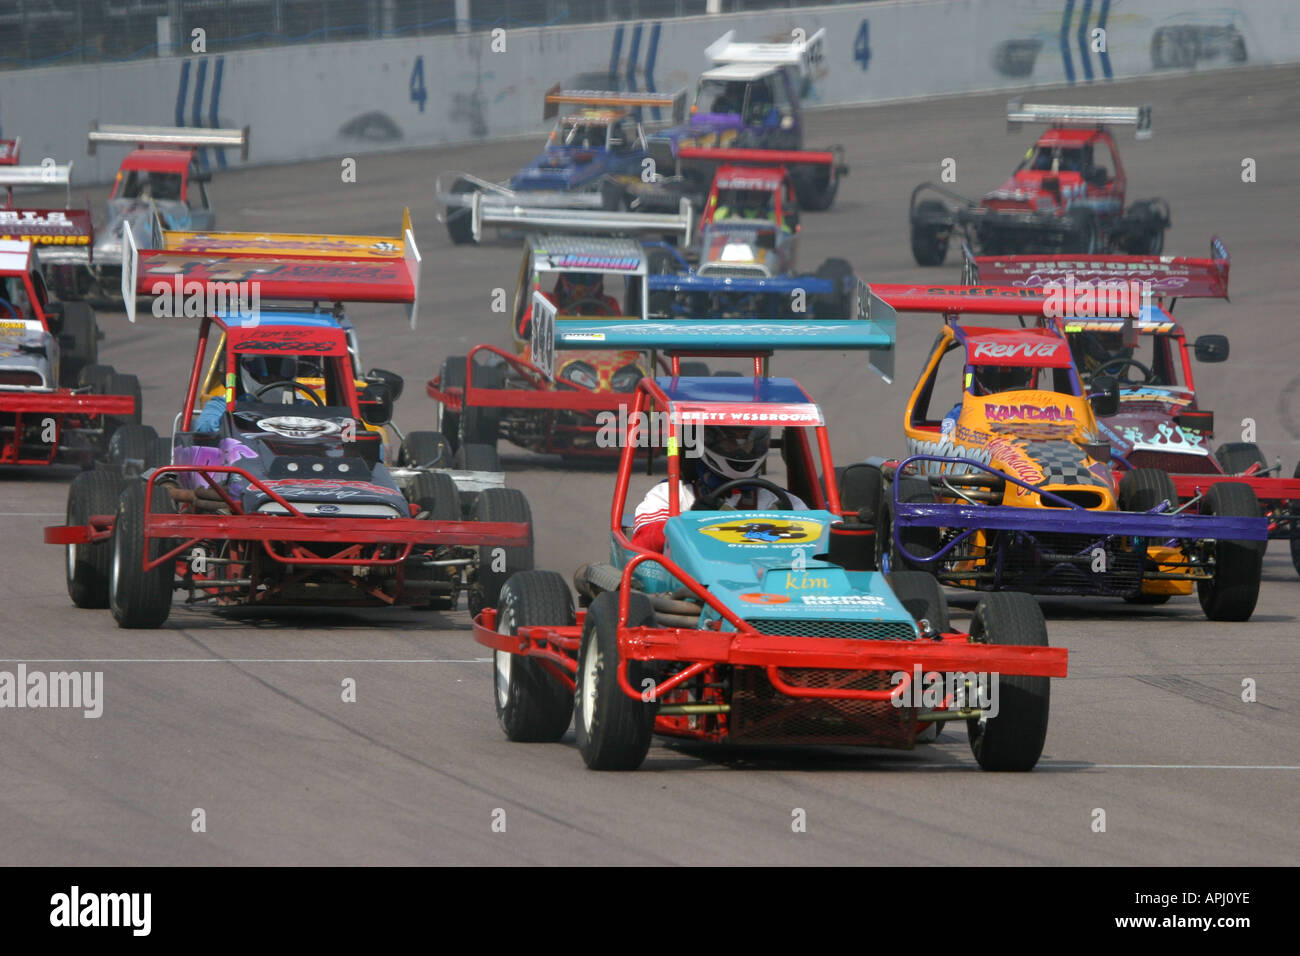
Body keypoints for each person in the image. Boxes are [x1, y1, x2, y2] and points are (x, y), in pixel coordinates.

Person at [631, 424, 807, 552]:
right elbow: (643, 543)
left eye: (748, 440)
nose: (742, 449)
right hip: (696, 591)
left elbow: (819, 540)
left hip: (769, 593)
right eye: (730, 440)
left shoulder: (780, 502)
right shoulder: (672, 495)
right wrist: (690, 524)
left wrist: (788, 527)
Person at [516, 272, 619, 340]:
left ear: (599, 281)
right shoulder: (547, 300)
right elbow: (525, 330)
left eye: (589, 278)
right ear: (563, 278)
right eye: (574, 277)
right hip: (555, 357)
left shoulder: (609, 304)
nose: (580, 286)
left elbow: (622, 334)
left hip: (600, 357)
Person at [939, 364, 1039, 433]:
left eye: (1014, 380)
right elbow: (946, 452)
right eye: (994, 381)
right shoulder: (959, 415)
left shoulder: (1039, 416)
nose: (1003, 387)